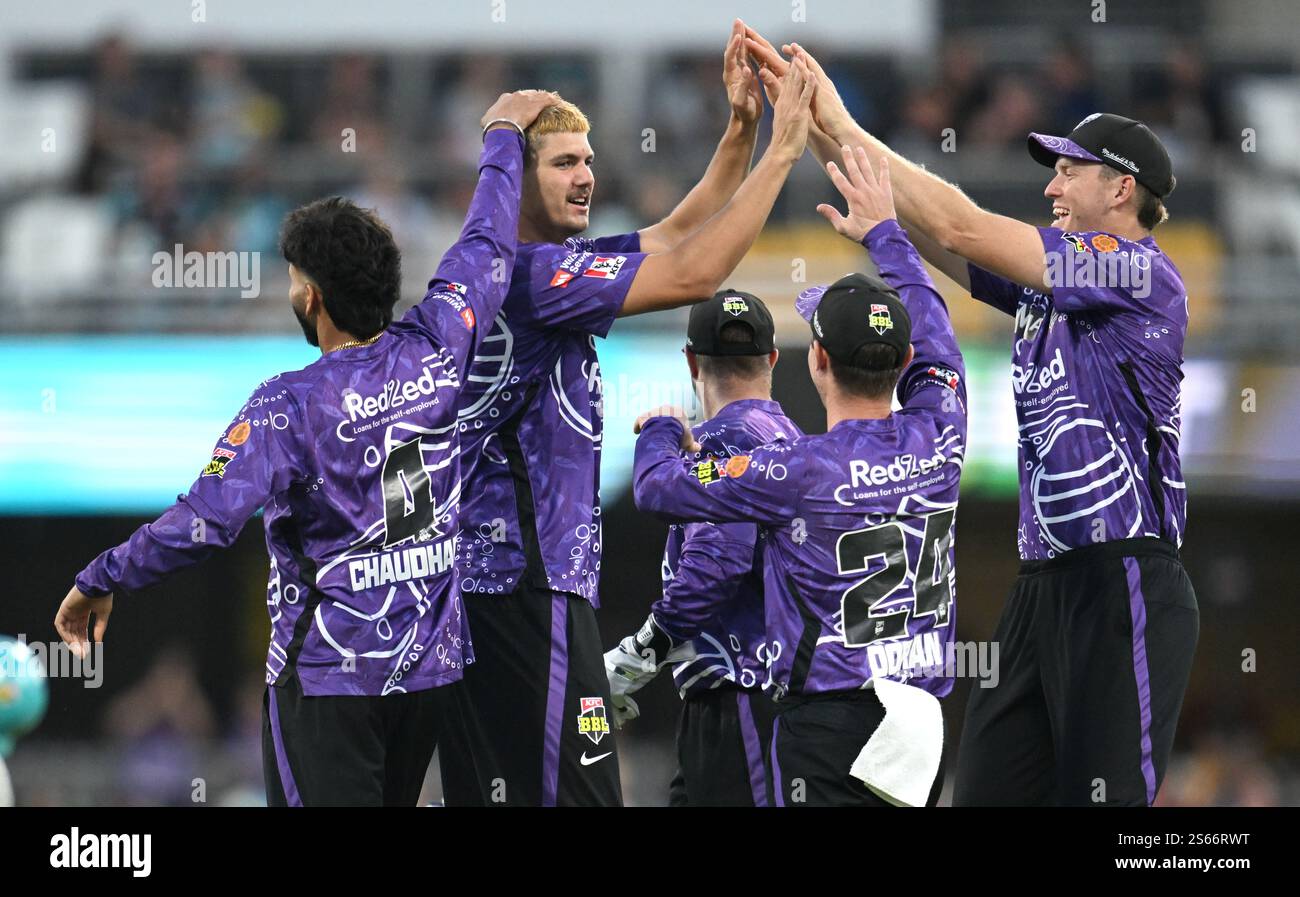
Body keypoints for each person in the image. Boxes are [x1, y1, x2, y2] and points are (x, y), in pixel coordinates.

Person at [53, 90, 558, 807]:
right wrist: (503, 134)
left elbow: (206, 519)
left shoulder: (287, 404)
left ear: (312, 297)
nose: (290, 288)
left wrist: (104, 574)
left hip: (329, 680)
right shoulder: (442, 345)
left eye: (293, 276)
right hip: (430, 675)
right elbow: (485, 244)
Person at [745, 28, 1199, 806]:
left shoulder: (1139, 272)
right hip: (1041, 587)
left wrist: (846, 123)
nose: (1053, 190)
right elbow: (929, 232)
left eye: (1068, 172)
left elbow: (957, 225)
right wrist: (810, 120)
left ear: (1121, 189)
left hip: (1122, 576)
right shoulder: (1053, 283)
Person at [437, 23, 817, 807]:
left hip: (514, 588)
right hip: (523, 587)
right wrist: (785, 152)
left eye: (588, 161)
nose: (585, 176)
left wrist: (743, 128)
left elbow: (679, 229)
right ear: (516, 176)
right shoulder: (534, 279)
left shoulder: (546, 268)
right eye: (564, 163)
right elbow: (696, 269)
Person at [632, 146, 967, 807]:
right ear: (903, 361)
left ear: (816, 358)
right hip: (922, 726)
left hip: (830, 728)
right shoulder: (943, 430)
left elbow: (658, 487)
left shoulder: (794, 468)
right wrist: (885, 235)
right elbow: (936, 329)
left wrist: (662, 429)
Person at [605, 290, 800, 807]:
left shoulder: (717, 442)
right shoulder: (793, 439)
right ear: (773, 358)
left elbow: (717, 561)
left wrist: (641, 653)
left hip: (740, 697)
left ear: (691, 360)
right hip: (768, 697)